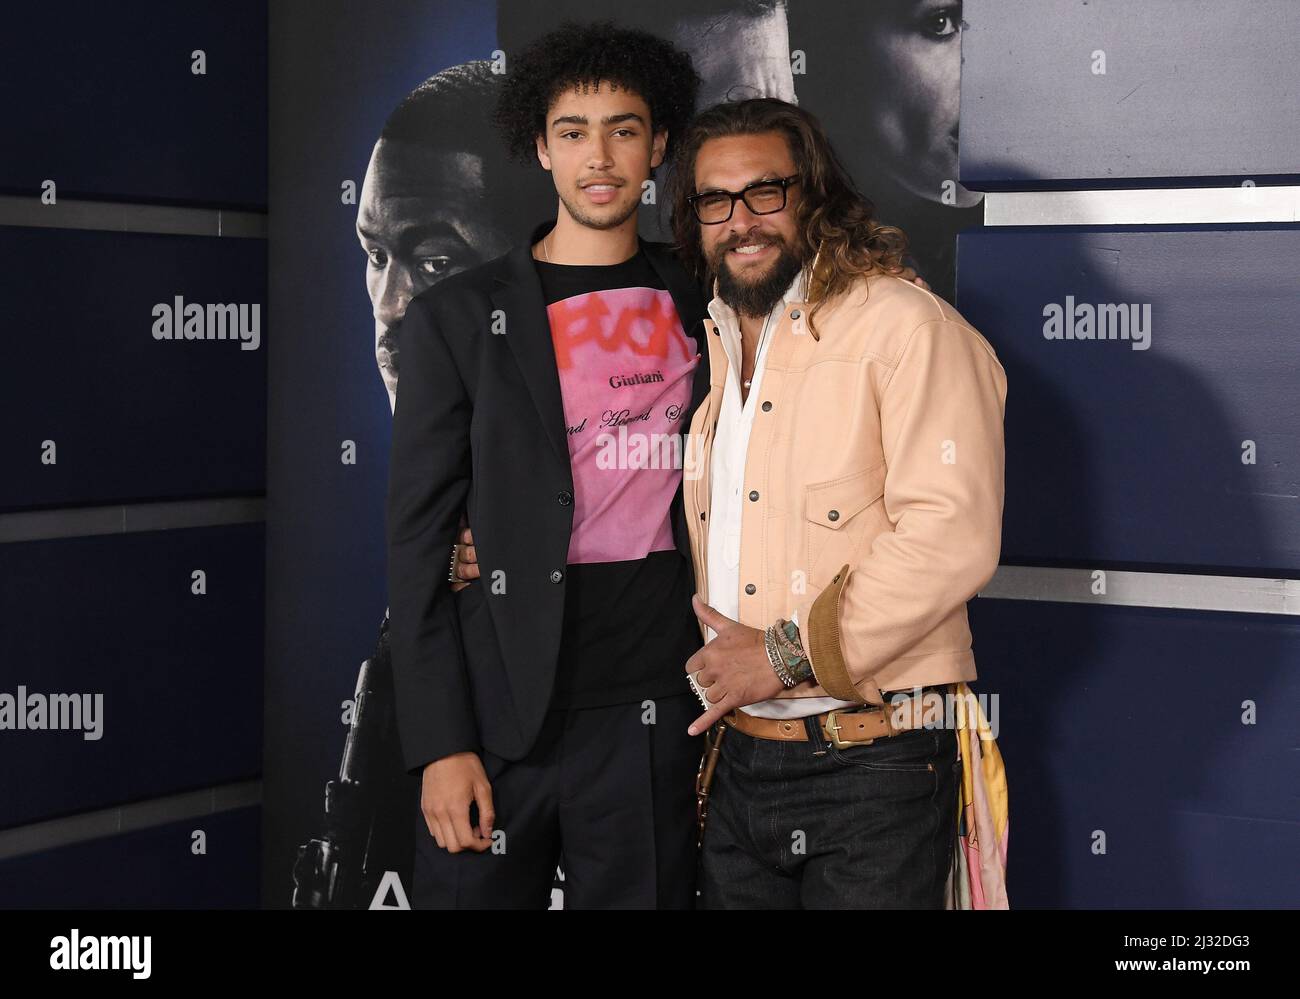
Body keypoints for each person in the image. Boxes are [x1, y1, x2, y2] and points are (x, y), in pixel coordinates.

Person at [385, 22, 710, 909]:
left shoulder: (709, 294)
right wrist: (439, 744)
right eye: (573, 131)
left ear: (660, 146)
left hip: (650, 713)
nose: (598, 157)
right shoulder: (457, 316)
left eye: (624, 129)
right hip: (495, 717)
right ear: (540, 145)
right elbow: (416, 544)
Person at [667, 97, 1008, 908]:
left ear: (814, 195)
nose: (740, 220)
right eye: (715, 201)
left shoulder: (904, 327)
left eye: (765, 193)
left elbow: (951, 534)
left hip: (874, 770)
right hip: (738, 762)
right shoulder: (721, 340)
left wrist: (787, 654)